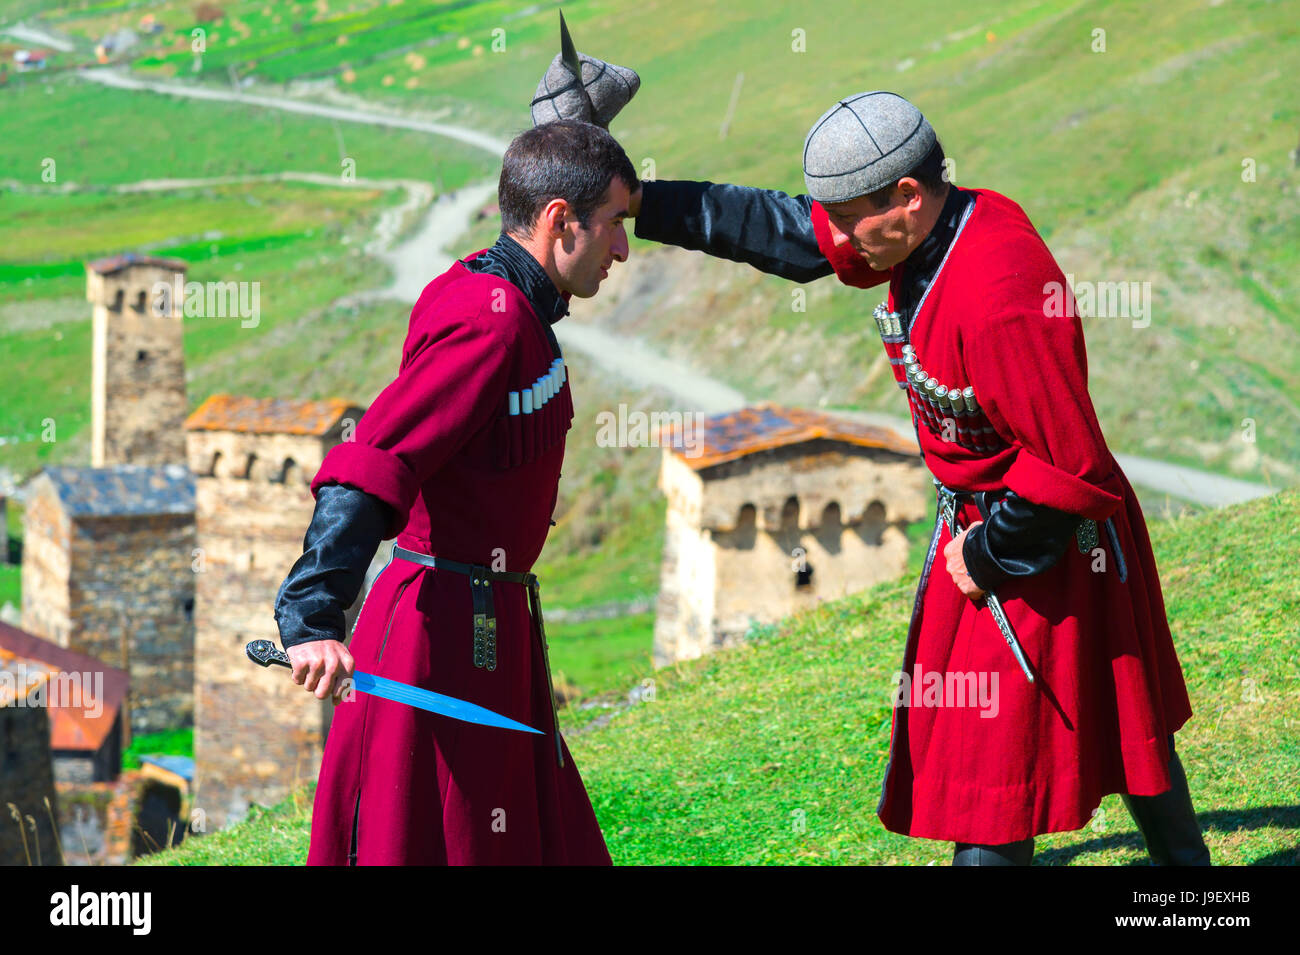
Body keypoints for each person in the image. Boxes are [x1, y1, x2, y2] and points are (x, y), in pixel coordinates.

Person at [619, 90, 1210, 866]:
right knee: (1122, 727)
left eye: (843, 218)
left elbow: (1069, 462)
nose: (830, 238)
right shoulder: (925, 229)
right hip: (996, 527)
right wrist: (640, 201)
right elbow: (792, 234)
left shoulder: (1000, 293)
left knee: (1001, 782)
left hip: (1043, 538)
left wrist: (987, 554)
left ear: (904, 196)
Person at [272, 118, 638, 865]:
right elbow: (377, 455)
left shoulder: (513, 298)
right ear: (558, 220)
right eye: (615, 225)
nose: (624, 249)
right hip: (436, 643)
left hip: (492, 627)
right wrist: (312, 612)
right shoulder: (489, 324)